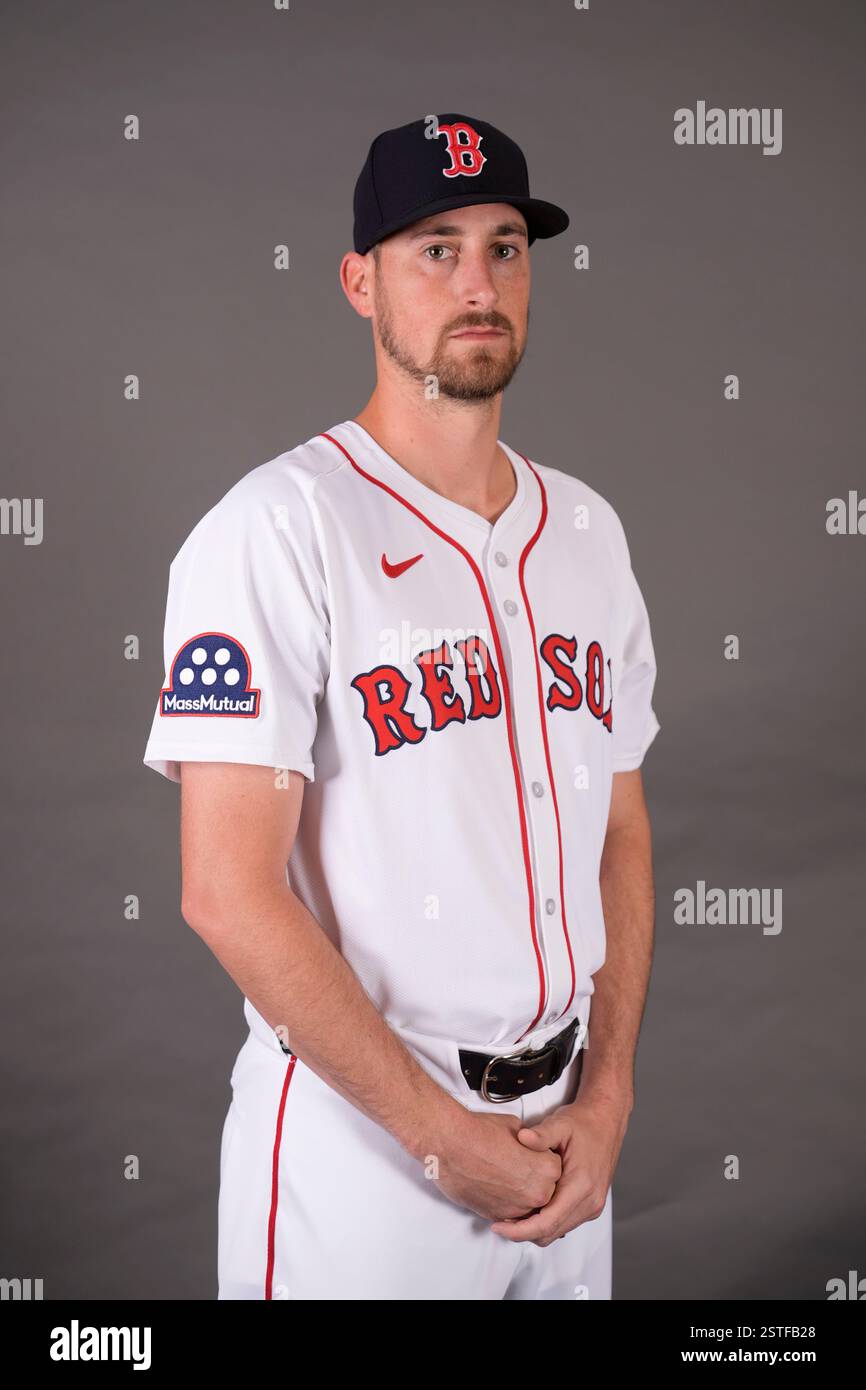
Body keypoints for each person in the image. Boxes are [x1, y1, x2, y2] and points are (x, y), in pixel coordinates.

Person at [143, 112, 661, 1301]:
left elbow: (619, 828)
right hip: (365, 1152)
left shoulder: (586, 531)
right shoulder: (275, 529)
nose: (477, 282)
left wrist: (613, 1087)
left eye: (505, 246)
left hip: (569, 1142)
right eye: (433, 247)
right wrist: (437, 1135)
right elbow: (225, 891)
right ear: (357, 279)